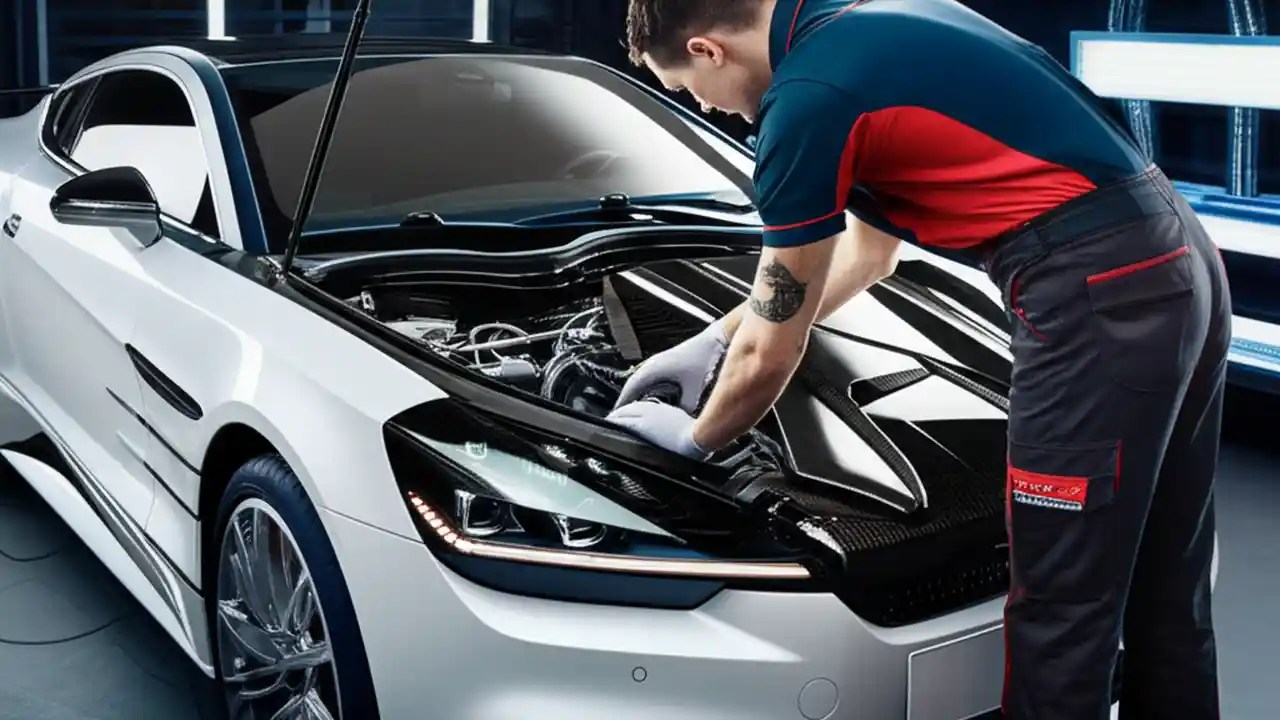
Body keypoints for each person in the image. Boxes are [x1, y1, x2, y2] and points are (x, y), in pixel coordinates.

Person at [606, 1, 1231, 718]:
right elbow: (869, 258)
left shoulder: (806, 98)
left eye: (685, 89)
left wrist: (694, 437)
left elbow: (775, 350)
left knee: (1061, 604)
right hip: (1175, 256)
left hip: (1098, 294)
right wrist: (713, 341)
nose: (705, 109)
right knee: (1167, 582)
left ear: (707, 49)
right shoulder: (858, 24)